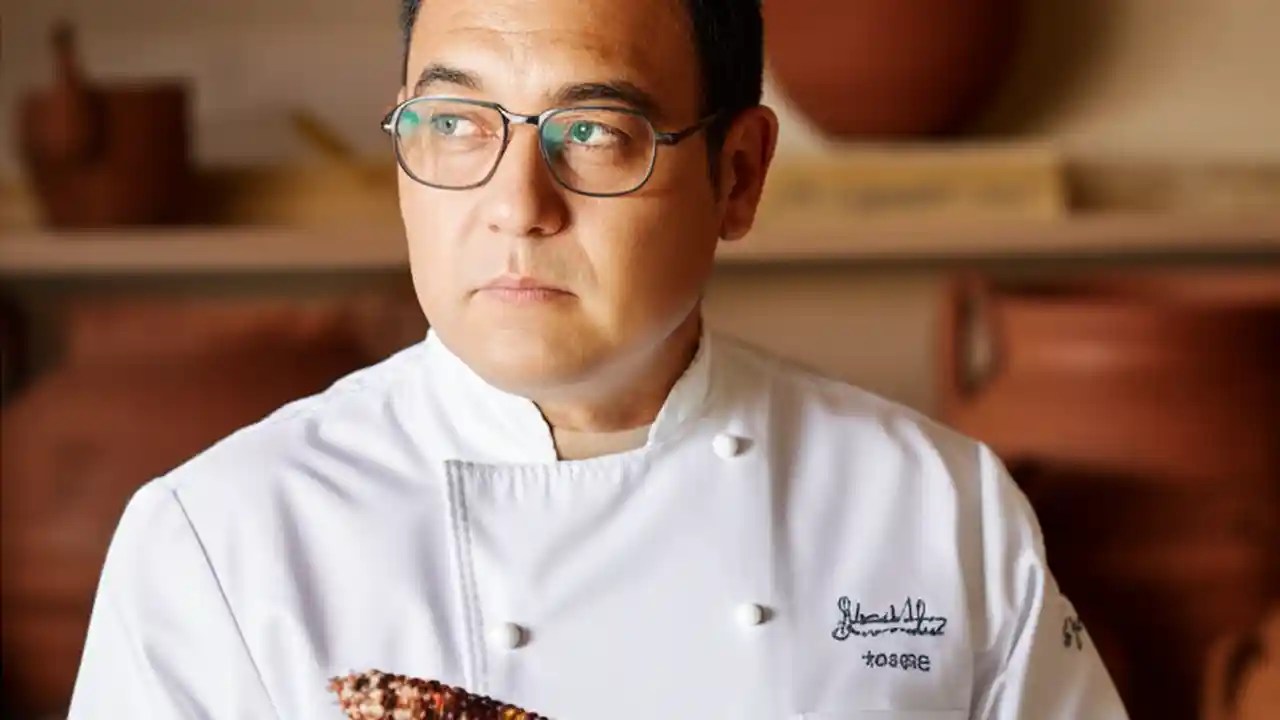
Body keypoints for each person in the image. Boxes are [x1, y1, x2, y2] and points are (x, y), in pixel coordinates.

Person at [68, 0, 1129, 717]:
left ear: (739, 177)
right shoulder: (220, 540)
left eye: (592, 133)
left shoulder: (932, 505)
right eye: (452, 123)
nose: (514, 208)